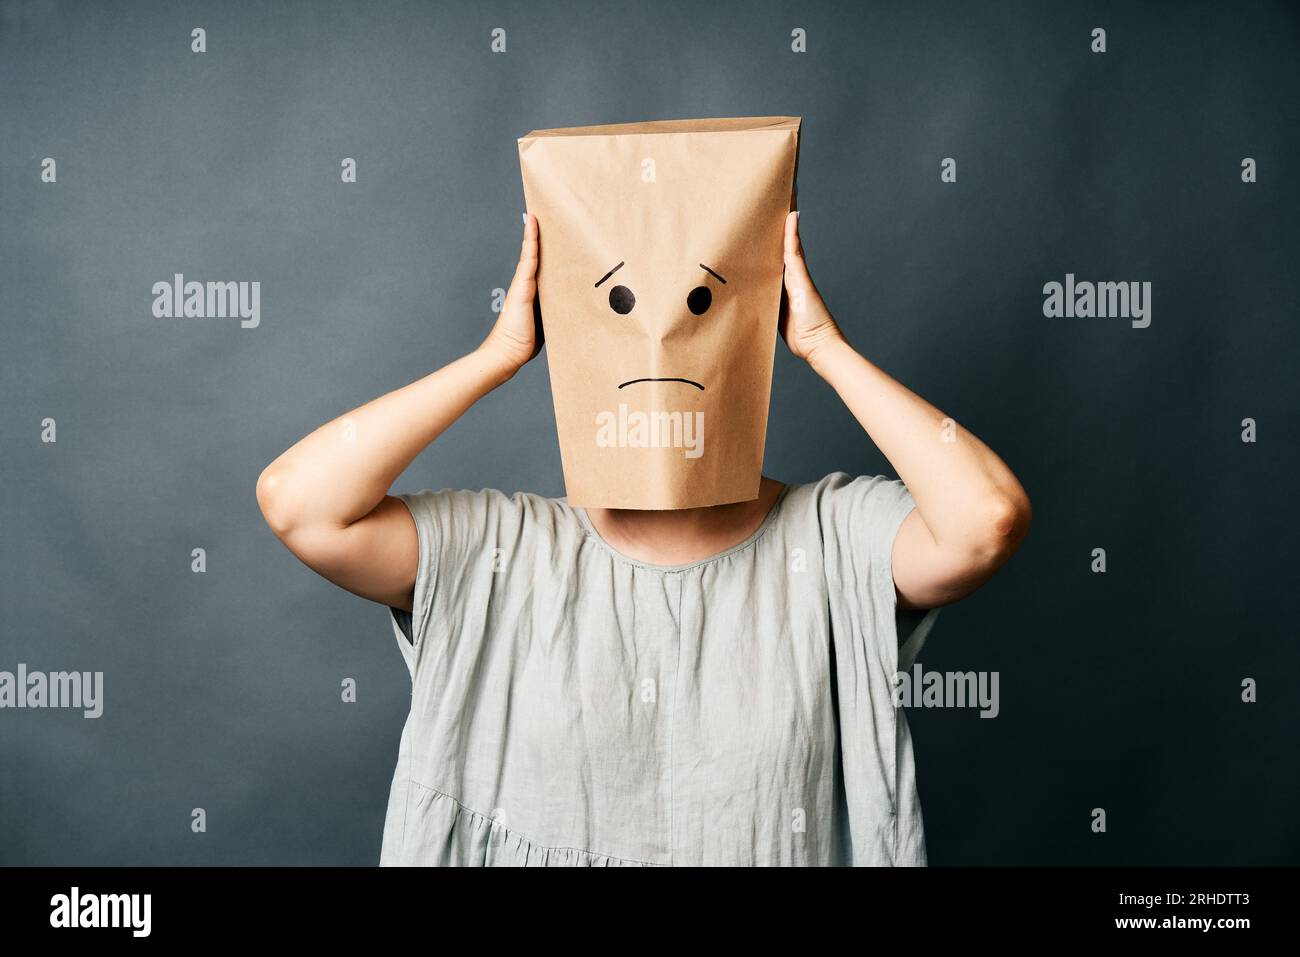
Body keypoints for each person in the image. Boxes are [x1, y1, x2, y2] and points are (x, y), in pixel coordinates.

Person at [255, 210, 1031, 866]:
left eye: (701, 307)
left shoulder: (830, 539)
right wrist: (494, 359)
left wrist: (825, 346)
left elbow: (986, 520)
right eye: (618, 308)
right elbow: (300, 502)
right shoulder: (500, 549)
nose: (659, 348)